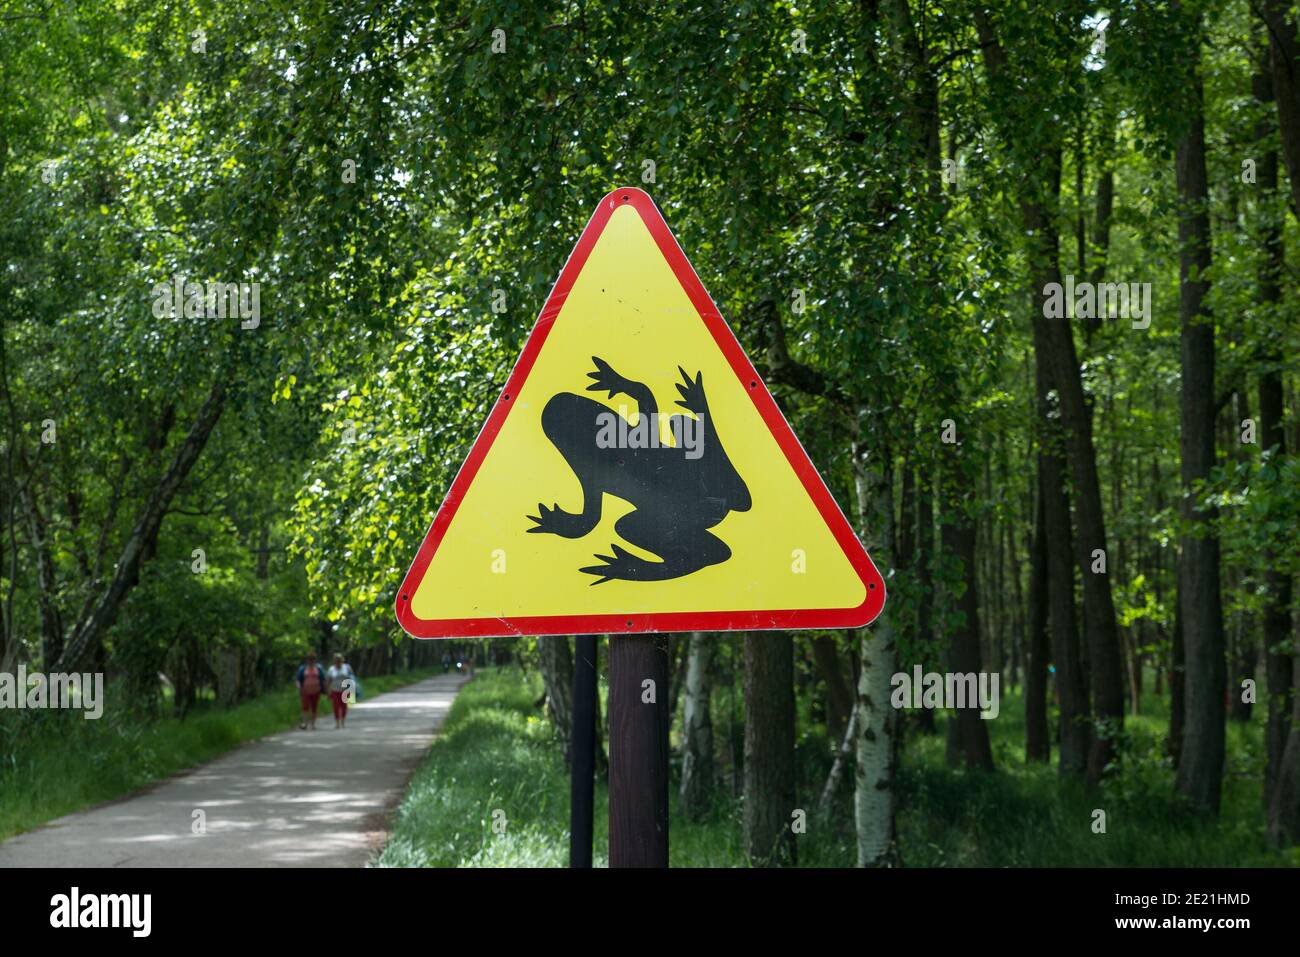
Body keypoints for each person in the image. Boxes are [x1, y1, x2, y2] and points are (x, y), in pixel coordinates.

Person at [296, 652, 326, 730]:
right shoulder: (303, 668)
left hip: (316, 691)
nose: (311, 661)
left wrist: (325, 689)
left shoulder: (319, 668)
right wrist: (299, 686)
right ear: (307, 660)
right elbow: (298, 679)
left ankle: (313, 724)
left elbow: (323, 679)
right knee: (305, 707)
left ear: (315, 660)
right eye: (309, 659)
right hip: (305, 691)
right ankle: (305, 723)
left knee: (314, 707)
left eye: (313, 659)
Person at [327, 653, 356, 729]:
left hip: (345, 690)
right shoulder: (331, 669)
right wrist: (328, 690)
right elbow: (329, 680)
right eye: (336, 660)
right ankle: (337, 723)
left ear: (342, 660)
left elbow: (351, 678)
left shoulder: (347, 668)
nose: (338, 662)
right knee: (336, 706)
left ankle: (343, 721)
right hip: (335, 690)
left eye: (339, 660)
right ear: (334, 661)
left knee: (344, 706)